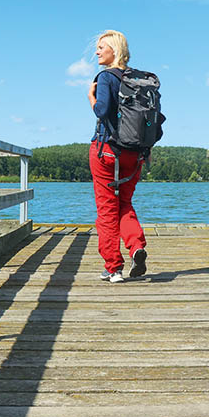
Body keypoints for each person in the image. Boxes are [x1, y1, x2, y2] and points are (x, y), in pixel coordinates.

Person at [88, 29, 148, 283]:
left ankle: (113, 267)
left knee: (106, 210)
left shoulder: (106, 77)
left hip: (107, 151)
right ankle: (136, 247)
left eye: (102, 47)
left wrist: (90, 96)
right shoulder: (136, 79)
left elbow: (102, 110)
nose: (97, 51)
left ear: (114, 50)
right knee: (124, 203)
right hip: (134, 155)